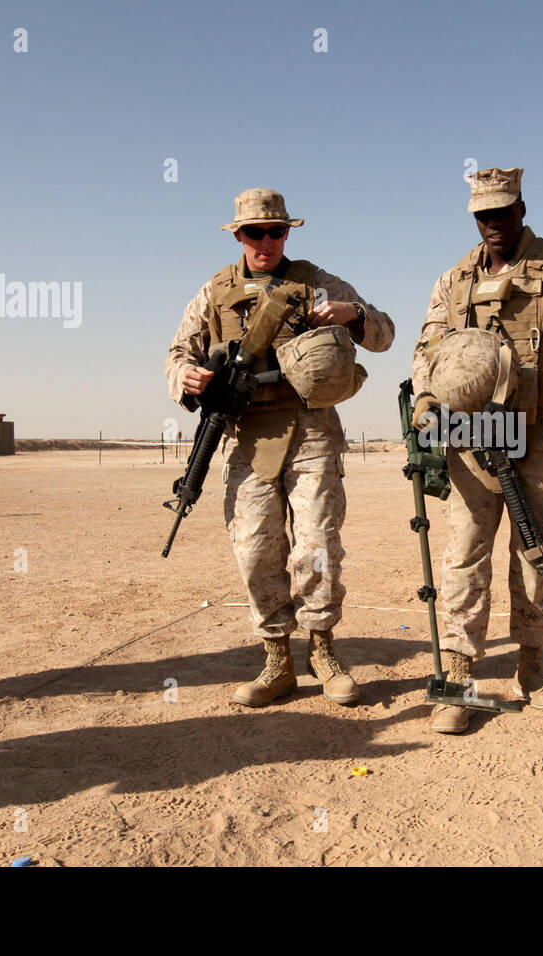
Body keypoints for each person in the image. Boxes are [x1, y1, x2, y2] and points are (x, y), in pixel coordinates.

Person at [410, 167, 543, 733]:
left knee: (537, 544)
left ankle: (530, 666)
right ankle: (458, 673)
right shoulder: (452, 280)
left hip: (540, 426)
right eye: (483, 215)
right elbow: (429, 342)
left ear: (522, 210)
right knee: (465, 548)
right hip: (470, 430)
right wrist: (427, 395)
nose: (493, 224)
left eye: (502, 212)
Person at [166, 188, 394, 708]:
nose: (265, 241)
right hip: (246, 436)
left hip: (311, 430)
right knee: (255, 550)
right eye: (254, 232)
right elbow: (178, 350)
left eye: (275, 231)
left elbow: (383, 334)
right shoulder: (215, 291)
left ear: (287, 233)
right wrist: (187, 375)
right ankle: (277, 660)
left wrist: (351, 313)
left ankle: (324, 650)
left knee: (316, 546)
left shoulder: (315, 282)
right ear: (238, 235)